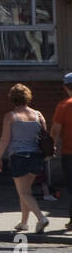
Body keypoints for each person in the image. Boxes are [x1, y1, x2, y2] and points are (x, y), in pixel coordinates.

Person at [0, 83, 50, 233]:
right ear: (27, 97)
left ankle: (41, 218)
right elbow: (45, 136)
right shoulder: (38, 115)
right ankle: (24, 222)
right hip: (36, 157)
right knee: (26, 191)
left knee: (23, 192)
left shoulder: (10, 116)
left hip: (19, 157)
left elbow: (5, 139)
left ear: (12, 98)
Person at [50, 72, 72, 230]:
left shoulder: (64, 105)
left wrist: (53, 145)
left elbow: (55, 131)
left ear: (65, 87)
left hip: (69, 152)